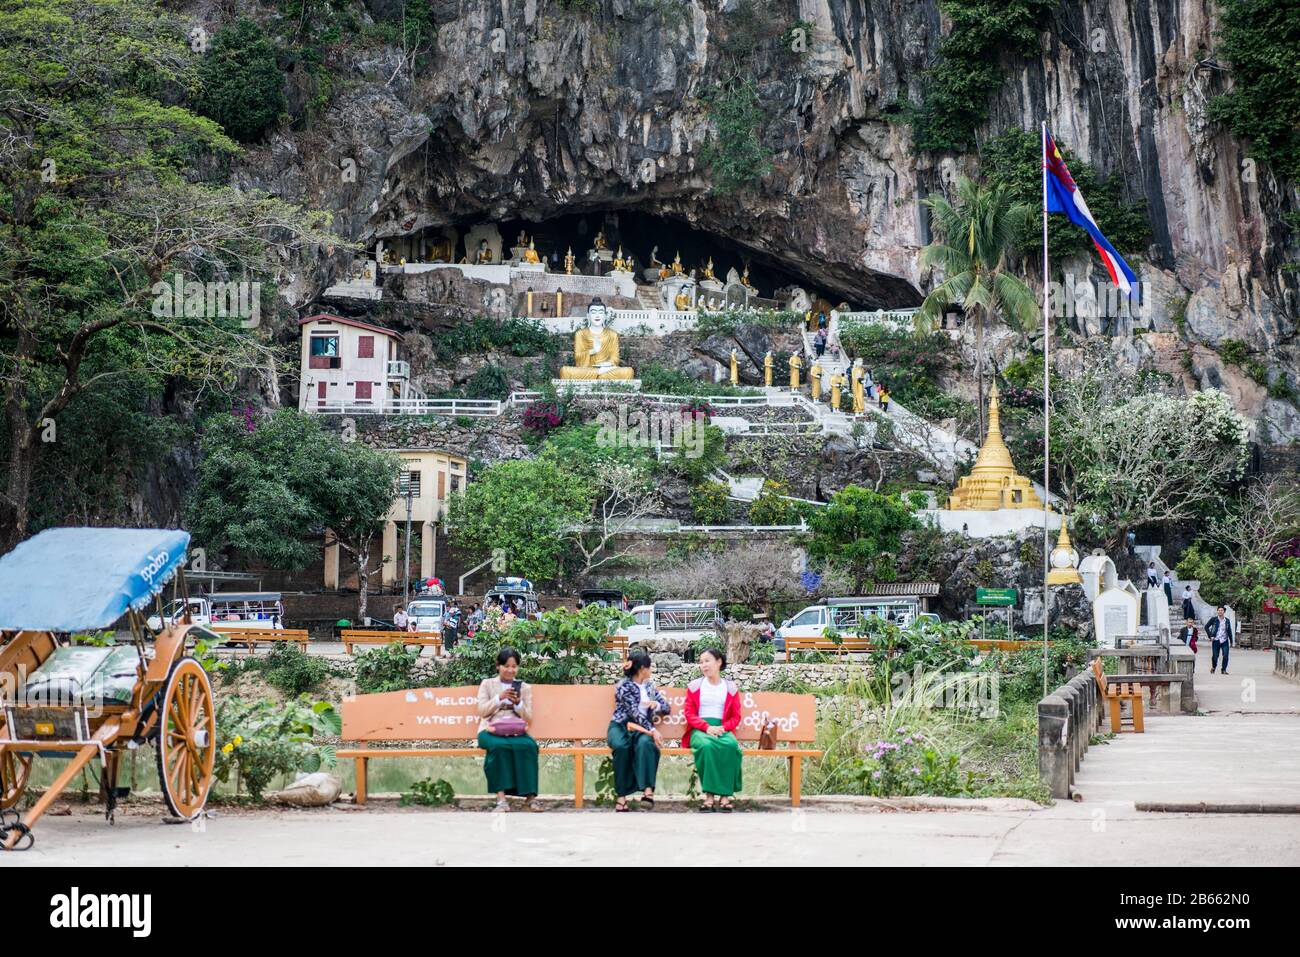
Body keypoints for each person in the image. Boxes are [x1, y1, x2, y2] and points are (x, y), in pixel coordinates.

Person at [476, 647, 542, 811]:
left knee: (529, 746)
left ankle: (530, 798)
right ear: (498, 666)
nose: (510, 670)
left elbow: (529, 719)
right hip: (490, 728)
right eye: (507, 666)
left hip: (515, 729)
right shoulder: (488, 684)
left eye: (514, 666)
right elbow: (482, 711)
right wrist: (500, 698)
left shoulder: (524, 688)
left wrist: (518, 703)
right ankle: (501, 799)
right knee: (498, 747)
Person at [607, 650, 669, 812]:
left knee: (646, 744)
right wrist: (653, 730)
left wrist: (657, 705)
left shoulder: (649, 687)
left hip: (642, 729)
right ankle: (621, 797)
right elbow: (633, 712)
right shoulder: (623, 686)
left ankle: (648, 792)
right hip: (621, 726)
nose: (651, 670)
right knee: (621, 747)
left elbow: (667, 707)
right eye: (649, 667)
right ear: (642, 668)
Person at [682, 648, 744, 812]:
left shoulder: (730, 688)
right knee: (707, 747)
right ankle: (709, 796)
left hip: (722, 728)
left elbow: (736, 717)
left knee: (731, 746)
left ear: (719, 662)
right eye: (701, 662)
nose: (704, 665)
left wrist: (723, 728)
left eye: (707, 660)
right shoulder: (695, 686)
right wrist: (707, 727)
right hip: (700, 729)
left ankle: (725, 795)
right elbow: (689, 714)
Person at [1206, 606, 1233, 675]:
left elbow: (1229, 631)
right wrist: (1210, 636)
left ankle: (1223, 670)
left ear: (1224, 612)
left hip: (1224, 640)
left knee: (1226, 655)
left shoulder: (1227, 621)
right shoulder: (1214, 619)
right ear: (1217, 611)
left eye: (1221, 610)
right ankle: (1213, 667)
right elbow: (1206, 627)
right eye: (1219, 610)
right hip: (1216, 640)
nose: (1220, 611)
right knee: (1215, 656)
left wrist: (1231, 641)